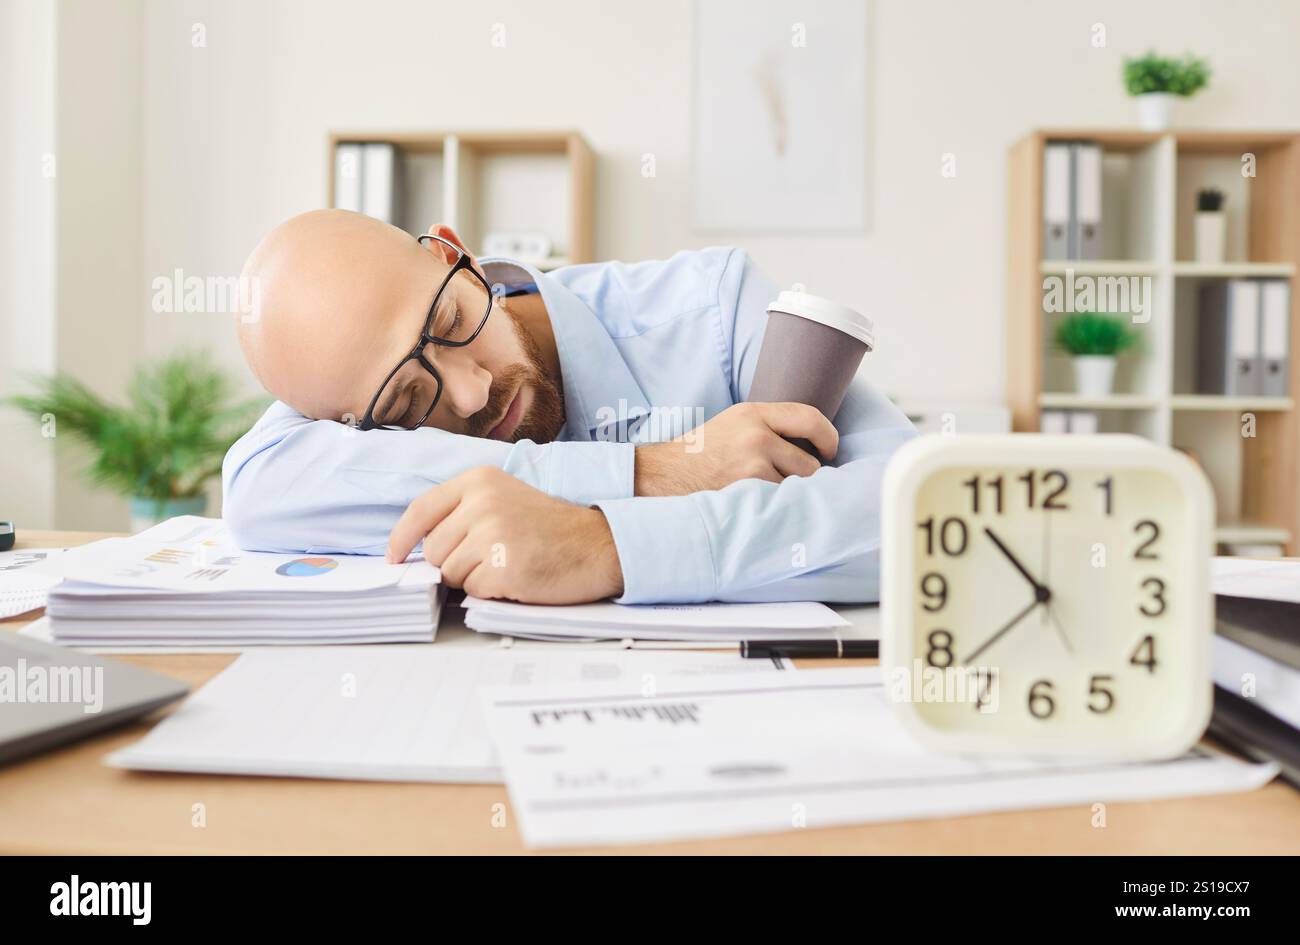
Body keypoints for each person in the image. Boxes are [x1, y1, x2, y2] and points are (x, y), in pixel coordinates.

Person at [224, 209, 916, 604]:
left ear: (453, 255)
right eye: (409, 399)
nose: (469, 392)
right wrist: (652, 472)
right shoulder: (335, 398)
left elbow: (924, 515)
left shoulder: (713, 308)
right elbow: (260, 486)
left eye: (453, 318)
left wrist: (605, 545)